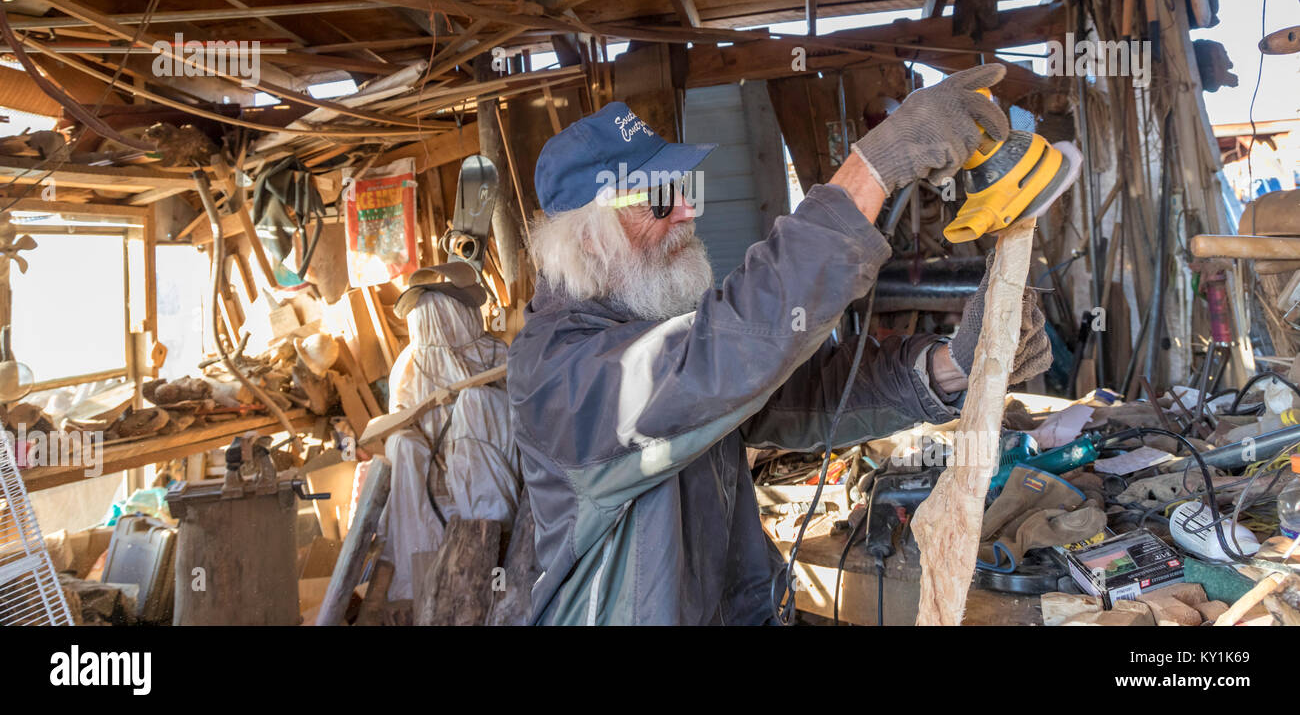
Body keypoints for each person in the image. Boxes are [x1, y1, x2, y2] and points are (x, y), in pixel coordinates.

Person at [508, 64, 1053, 625]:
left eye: (685, 190)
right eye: (662, 199)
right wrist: (873, 168)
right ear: (591, 240)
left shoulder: (650, 330)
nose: (690, 210)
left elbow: (799, 390)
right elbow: (723, 357)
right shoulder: (557, 374)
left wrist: (951, 367)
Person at [379, 263, 518, 605]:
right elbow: (399, 416)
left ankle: (490, 547)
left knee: (477, 403)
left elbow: (516, 414)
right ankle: (414, 584)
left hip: (482, 473)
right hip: (431, 471)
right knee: (401, 444)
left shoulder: (494, 352)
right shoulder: (410, 362)